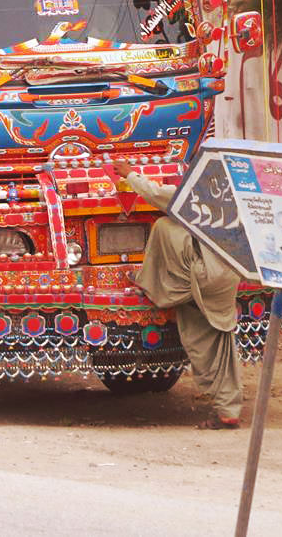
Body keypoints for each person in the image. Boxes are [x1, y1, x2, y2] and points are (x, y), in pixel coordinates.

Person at [111, 158, 242, 429]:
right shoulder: (234, 198)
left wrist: (129, 173)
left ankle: (153, 283)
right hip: (230, 276)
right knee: (221, 341)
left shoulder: (193, 195)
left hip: (201, 277)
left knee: (164, 226)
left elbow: (154, 193)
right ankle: (229, 410)